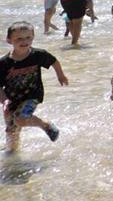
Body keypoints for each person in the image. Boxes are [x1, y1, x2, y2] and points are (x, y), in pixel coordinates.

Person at [1, 21, 68, 151]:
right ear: (9, 40)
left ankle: (45, 125)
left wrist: (61, 75)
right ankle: (13, 157)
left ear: (33, 37)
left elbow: (54, 61)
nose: (24, 41)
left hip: (32, 95)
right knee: (11, 130)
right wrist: (4, 101)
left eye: (28, 37)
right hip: (11, 98)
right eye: (19, 38)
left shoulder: (38, 55)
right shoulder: (4, 63)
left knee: (21, 118)